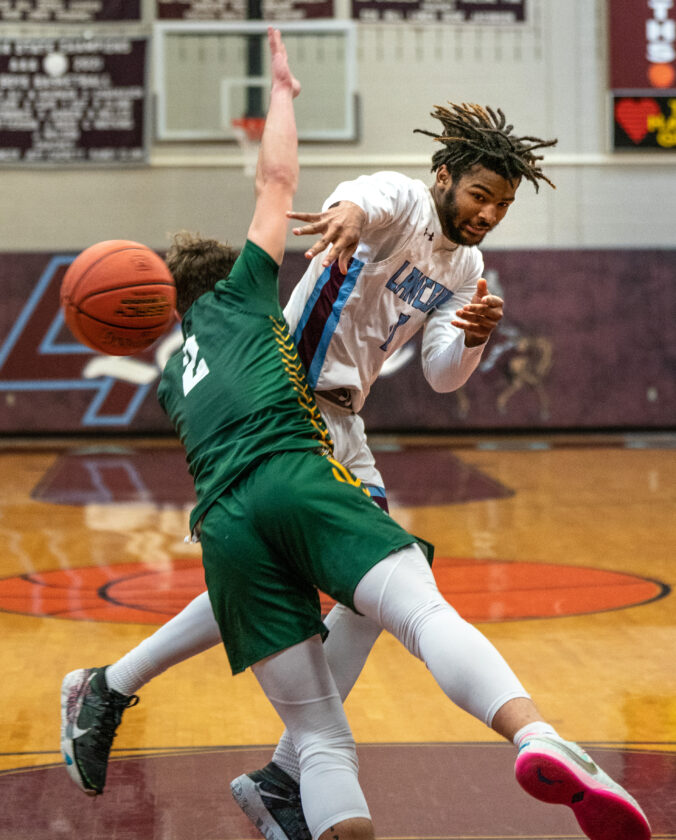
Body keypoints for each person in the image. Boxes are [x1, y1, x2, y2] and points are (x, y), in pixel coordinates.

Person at [59, 72, 651, 840]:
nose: (489, 213)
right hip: (288, 410)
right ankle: (186, 721)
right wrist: (345, 213)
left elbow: (442, 377)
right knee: (389, 591)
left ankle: (261, 762)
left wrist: (471, 336)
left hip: (336, 428)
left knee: (360, 596)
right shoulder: (400, 202)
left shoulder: (465, 270)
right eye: (479, 195)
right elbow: (365, 197)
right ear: (444, 176)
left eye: (502, 205)